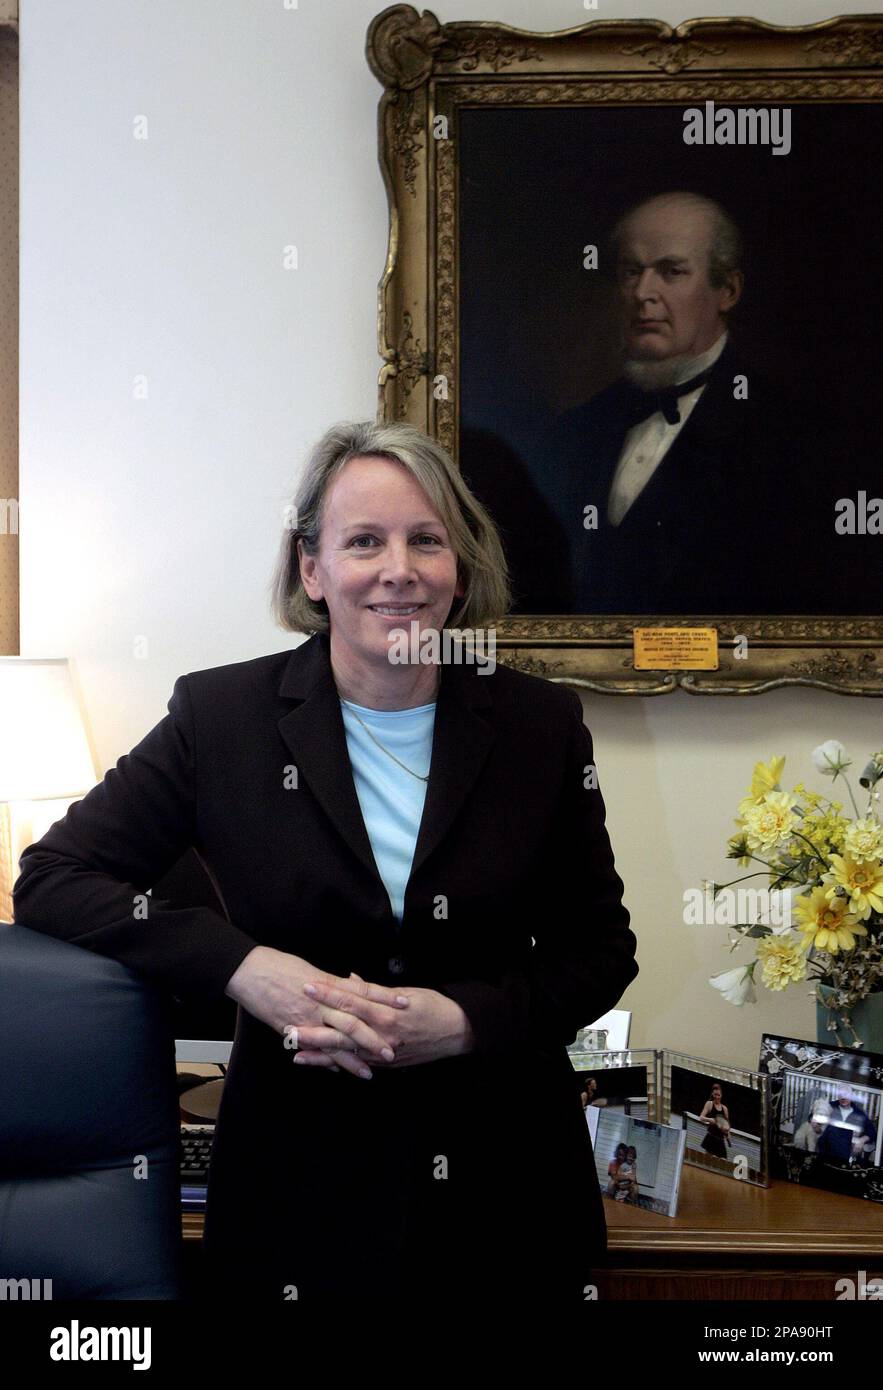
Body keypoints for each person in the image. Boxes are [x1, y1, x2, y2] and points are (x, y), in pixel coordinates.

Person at [11, 419, 638, 1304]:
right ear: (311, 569)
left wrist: (460, 1022)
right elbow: (53, 878)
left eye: (427, 540)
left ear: (460, 568)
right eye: (363, 541)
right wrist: (244, 967)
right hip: (296, 1195)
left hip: (503, 1197)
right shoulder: (220, 717)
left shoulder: (540, 726)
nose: (399, 569)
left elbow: (600, 953)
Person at [545, 191, 827, 615]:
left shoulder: (789, 436)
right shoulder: (578, 428)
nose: (643, 292)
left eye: (671, 272)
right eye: (630, 272)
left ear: (727, 291)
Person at [816, 1086, 877, 1167]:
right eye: (841, 1095)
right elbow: (814, 1116)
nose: (843, 1097)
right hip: (826, 1150)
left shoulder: (859, 1113)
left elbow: (872, 1132)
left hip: (846, 1152)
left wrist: (862, 1140)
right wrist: (815, 1123)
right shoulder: (830, 1106)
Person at [699, 1083, 731, 1159]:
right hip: (710, 1138)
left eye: (718, 1095)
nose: (717, 1097)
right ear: (712, 1094)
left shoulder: (725, 1109)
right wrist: (709, 1119)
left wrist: (728, 1134)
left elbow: (727, 1126)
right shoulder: (709, 1104)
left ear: (721, 1095)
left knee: (723, 1161)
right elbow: (701, 1117)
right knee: (706, 1161)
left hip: (720, 1140)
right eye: (715, 1095)